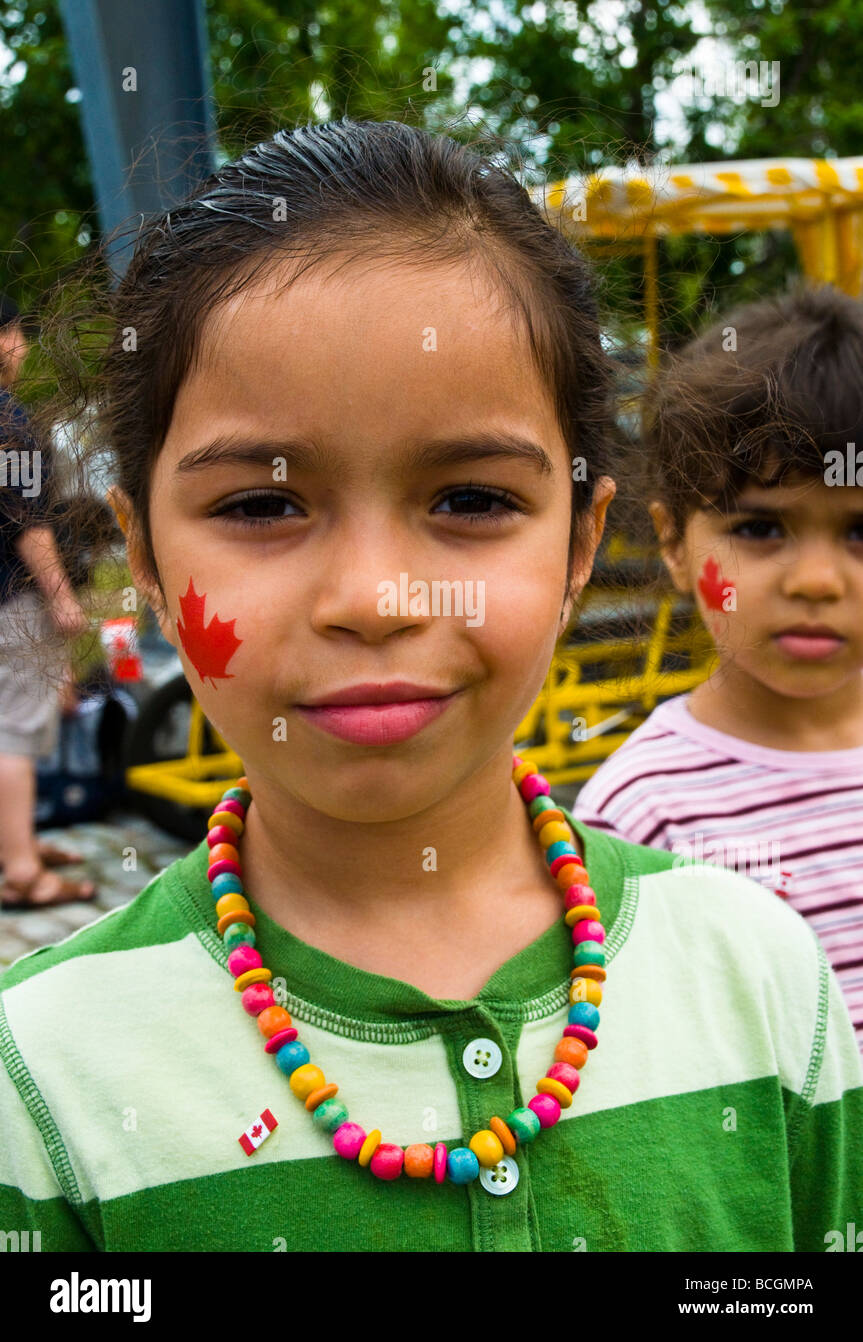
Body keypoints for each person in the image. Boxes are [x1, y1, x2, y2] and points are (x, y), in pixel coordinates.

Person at [0, 123, 859, 1253]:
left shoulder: (756, 973)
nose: (374, 596)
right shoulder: (45, 1073)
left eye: (469, 499)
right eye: (261, 506)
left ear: (578, 544)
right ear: (146, 561)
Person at [574, 287, 863, 1057]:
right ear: (673, 543)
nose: (815, 581)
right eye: (759, 528)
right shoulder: (644, 816)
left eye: (858, 532)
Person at [0, 295, 94, 908]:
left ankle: (16, 844)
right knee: (14, 733)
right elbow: (29, 523)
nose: (24, 346)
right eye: (17, 332)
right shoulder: (9, 420)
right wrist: (61, 599)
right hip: (13, 602)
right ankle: (24, 874)